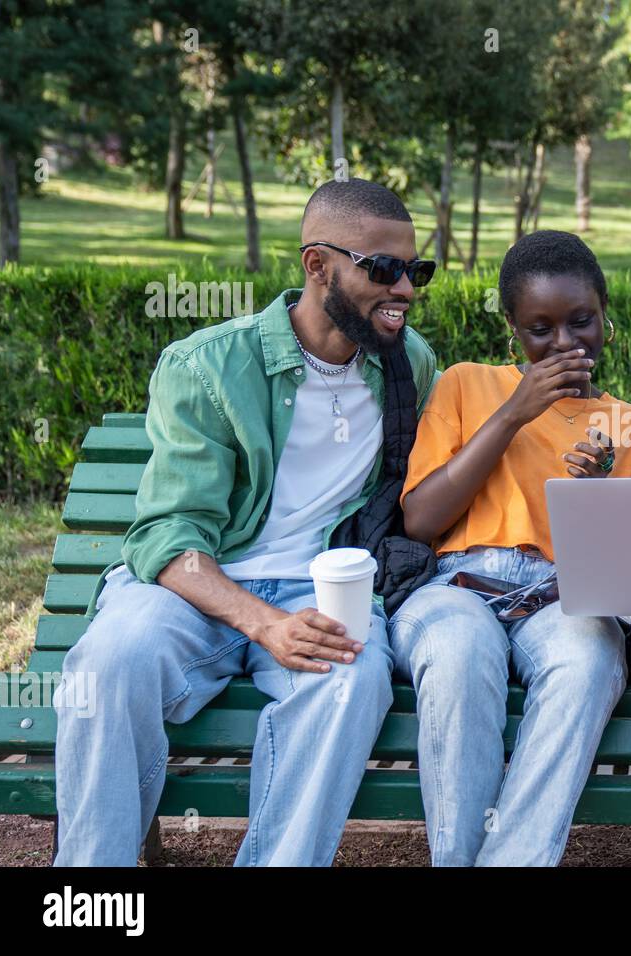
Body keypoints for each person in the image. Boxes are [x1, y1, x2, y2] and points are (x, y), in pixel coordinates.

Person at [53, 178, 440, 866]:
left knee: (352, 681)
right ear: (318, 265)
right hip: (196, 586)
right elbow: (170, 536)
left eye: (416, 270)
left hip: (321, 589)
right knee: (108, 664)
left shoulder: (408, 363)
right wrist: (261, 622)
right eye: (382, 269)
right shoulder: (209, 365)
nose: (404, 288)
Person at [390, 230, 631, 866]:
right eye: (540, 329)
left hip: (563, 594)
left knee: (590, 659)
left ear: (606, 319)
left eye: (580, 322)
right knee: (456, 653)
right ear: (513, 331)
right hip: (458, 586)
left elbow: (629, 568)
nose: (563, 343)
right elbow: (421, 520)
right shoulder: (467, 384)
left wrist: (596, 496)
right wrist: (513, 413)